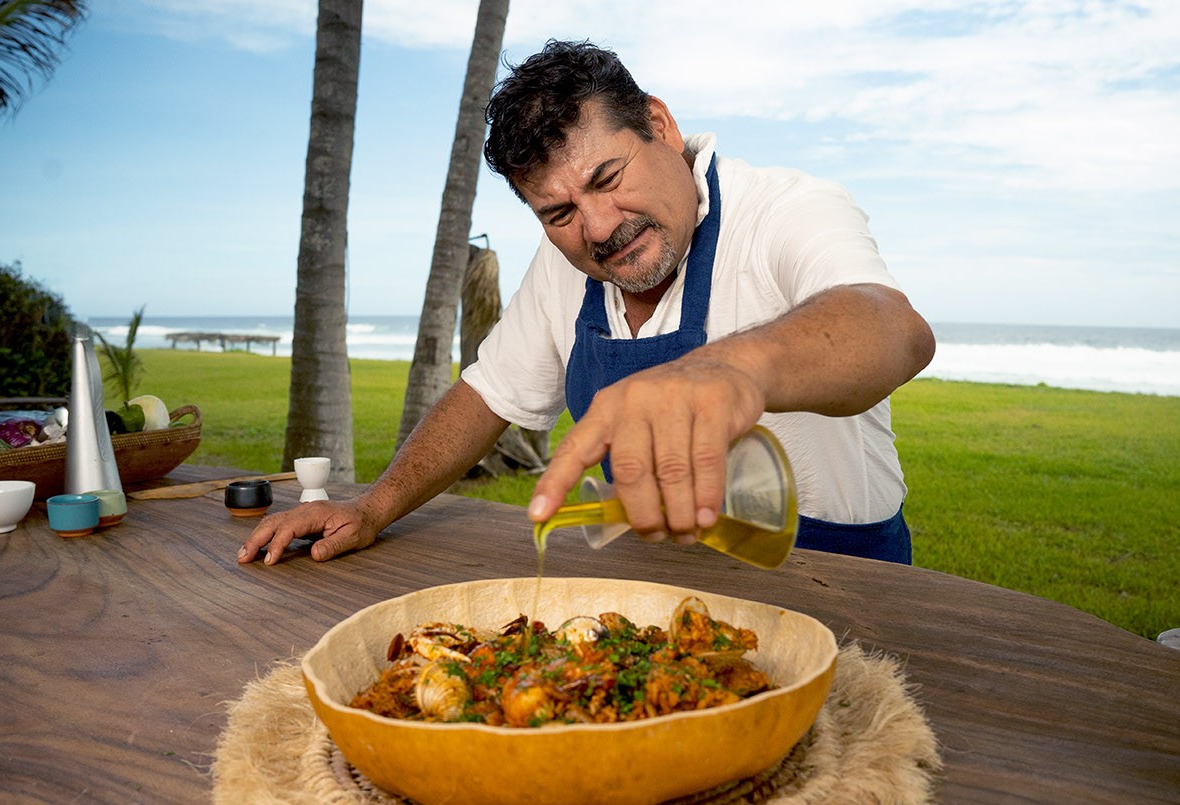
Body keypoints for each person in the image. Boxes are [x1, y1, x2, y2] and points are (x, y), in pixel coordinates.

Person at [239, 39, 934, 570]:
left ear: (659, 126)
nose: (599, 228)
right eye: (559, 212)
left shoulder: (787, 209)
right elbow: (487, 394)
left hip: (835, 573)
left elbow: (893, 329)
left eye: (607, 178)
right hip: (653, 577)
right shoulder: (562, 267)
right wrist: (371, 508)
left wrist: (732, 369)